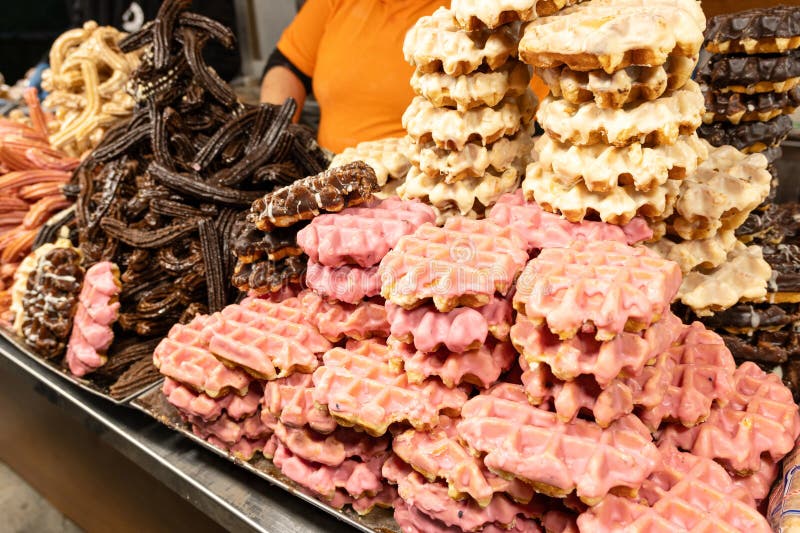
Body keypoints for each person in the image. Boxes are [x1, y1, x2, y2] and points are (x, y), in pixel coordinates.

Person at [260, 0, 449, 153]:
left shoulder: (466, 12)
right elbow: (288, 66)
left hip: (424, 185)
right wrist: (271, 140)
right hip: (331, 179)